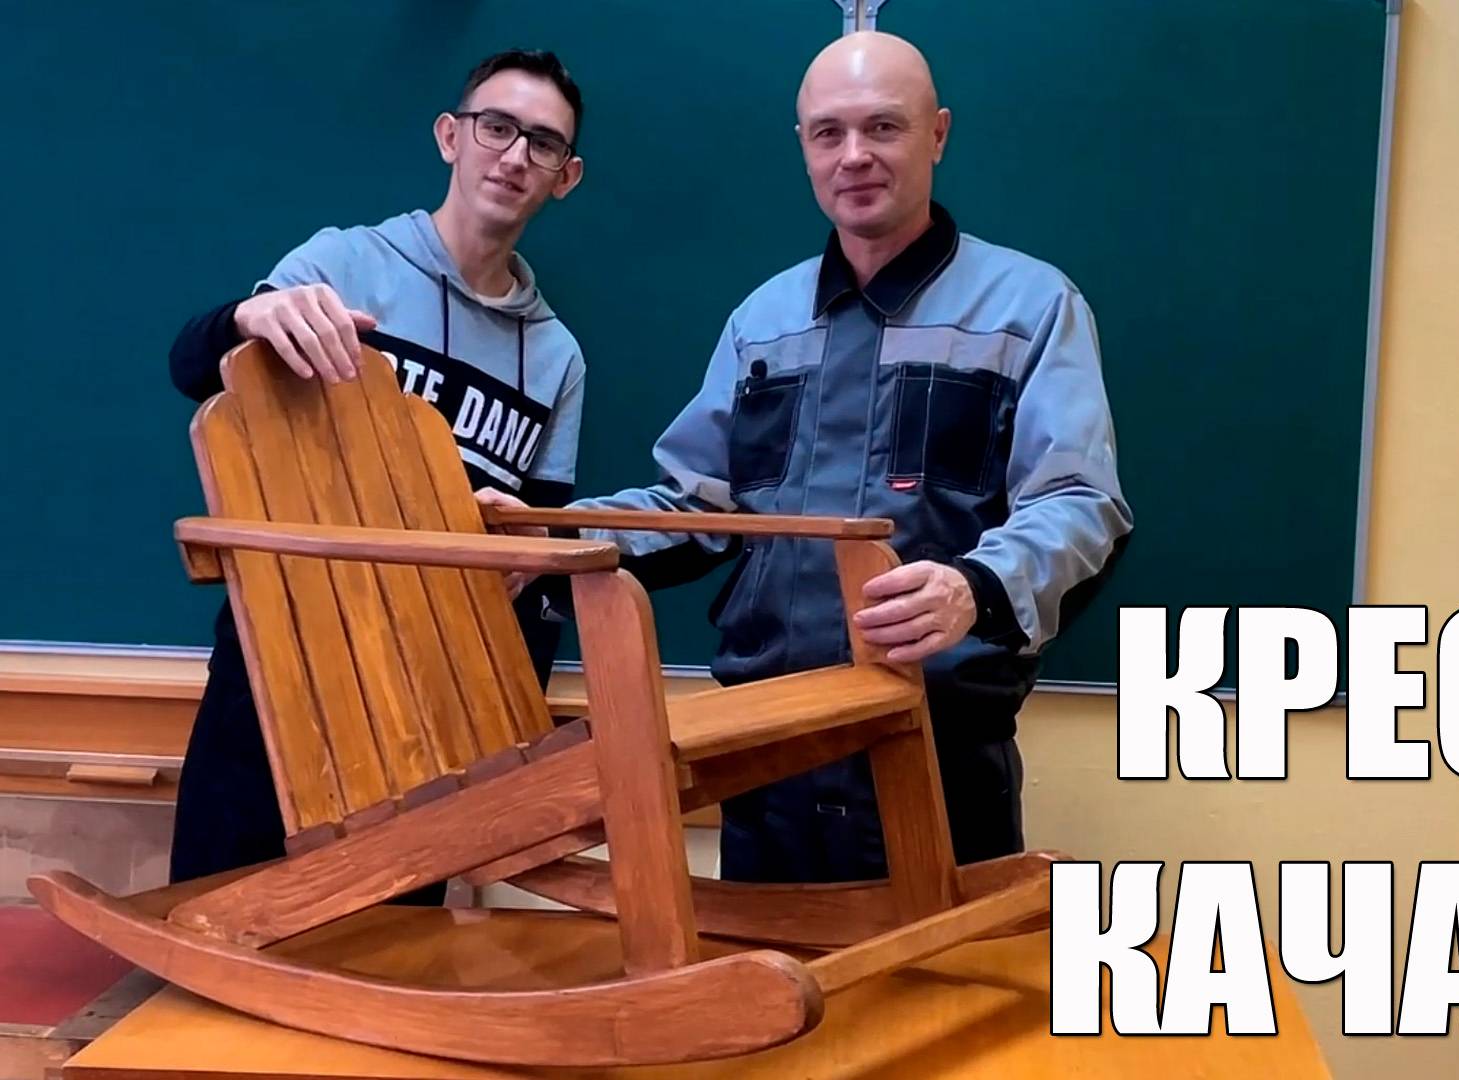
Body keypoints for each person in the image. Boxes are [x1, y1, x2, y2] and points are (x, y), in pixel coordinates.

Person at [489, 31, 1131, 884]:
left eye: (883, 127)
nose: (854, 155)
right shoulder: (764, 321)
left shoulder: (1031, 307)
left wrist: (971, 588)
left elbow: (1082, 503)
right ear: (804, 148)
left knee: (943, 973)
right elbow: (700, 504)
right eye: (829, 132)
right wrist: (556, 538)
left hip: (935, 758)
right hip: (767, 762)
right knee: (766, 968)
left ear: (937, 134)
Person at [165, 49, 590, 891]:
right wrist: (251, 315)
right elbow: (190, 366)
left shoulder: (557, 358)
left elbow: (545, 554)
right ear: (450, 137)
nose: (514, 156)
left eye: (542, 143)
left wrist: (528, 551)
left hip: (427, 717)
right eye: (496, 127)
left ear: (564, 177)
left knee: (389, 944)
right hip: (280, 675)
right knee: (216, 918)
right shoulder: (343, 267)